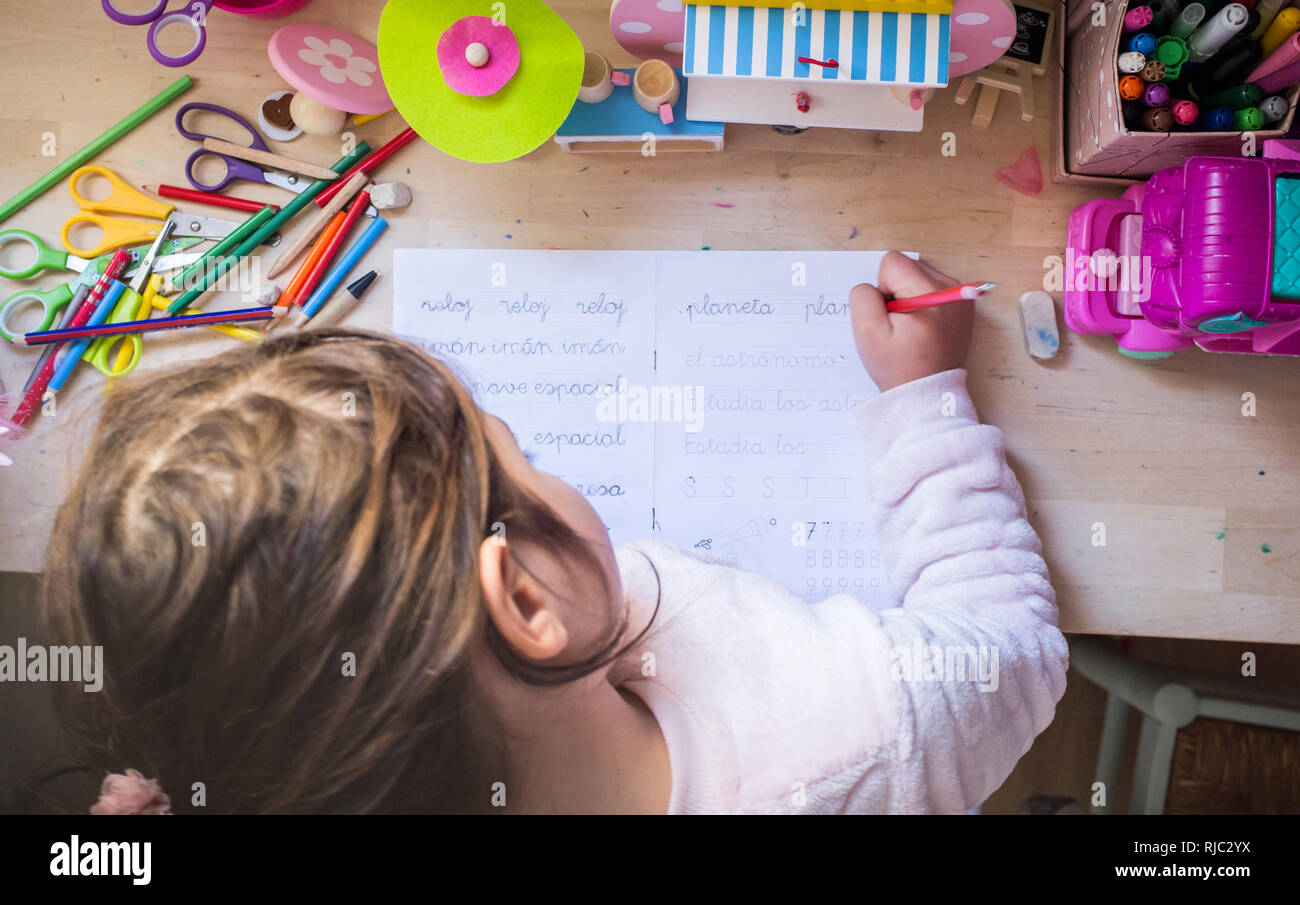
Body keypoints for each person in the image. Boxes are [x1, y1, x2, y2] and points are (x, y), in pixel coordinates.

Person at [44, 252, 1067, 814]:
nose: (545, 466)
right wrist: (923, 401)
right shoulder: (870, 726)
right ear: (523, 601)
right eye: (523, 453)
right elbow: (1013, 647)